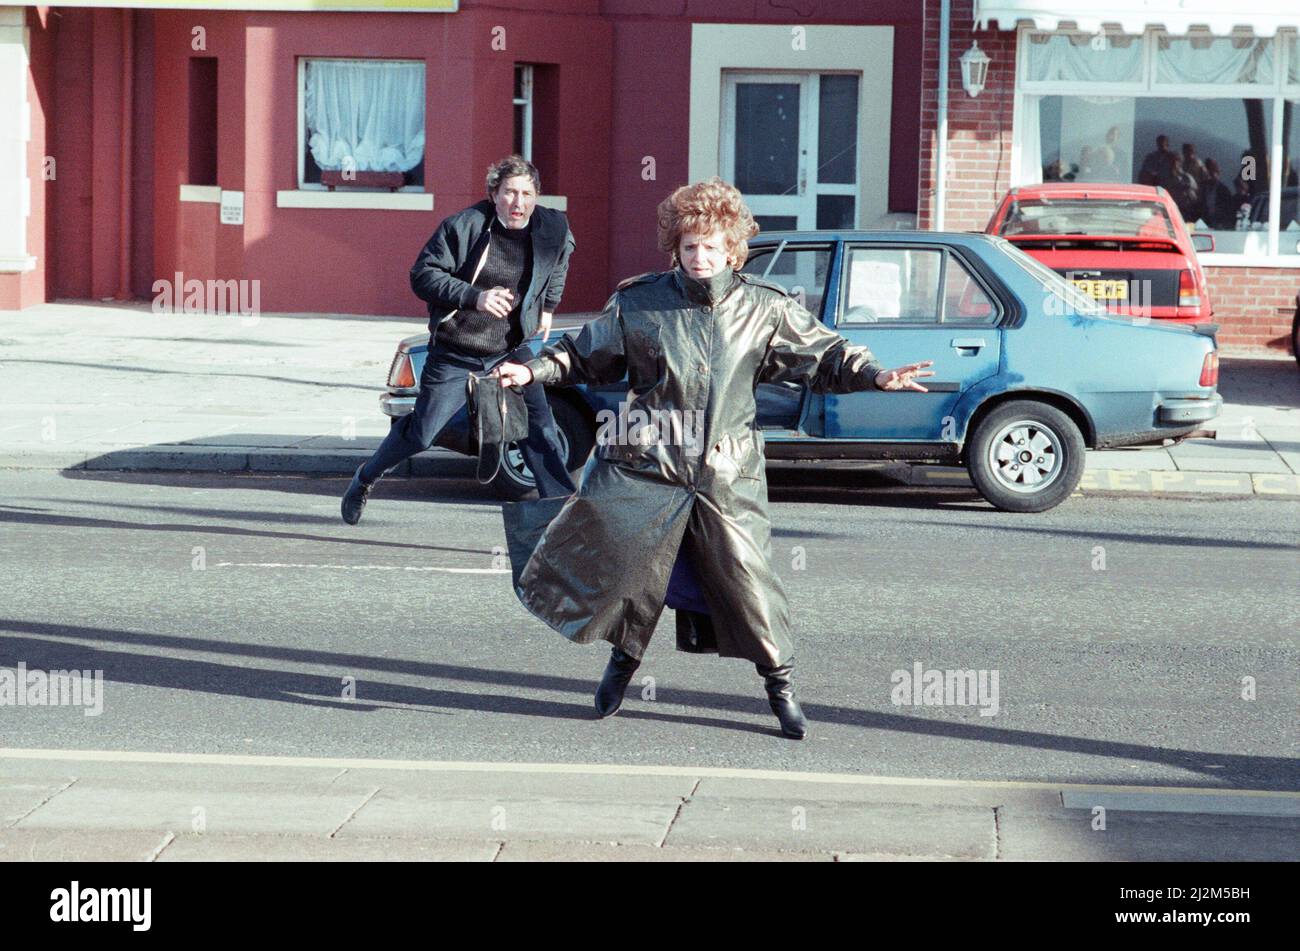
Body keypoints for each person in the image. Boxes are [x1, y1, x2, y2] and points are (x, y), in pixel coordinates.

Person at [493, 178, 934, 739]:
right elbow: (582, 354)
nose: (699, 257)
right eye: (689, 246)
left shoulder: (764, 307)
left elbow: (826, 355)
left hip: (727, 474)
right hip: (648, 469)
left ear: (733, 250)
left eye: (710, 246)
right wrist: (531, 369)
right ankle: (621, 667)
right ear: (674, 248)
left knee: (750, 585)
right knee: (632, 576)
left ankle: (782, 689)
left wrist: (875, 375)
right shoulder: (640, 302)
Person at [341, 155, 577, 524]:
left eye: (527, 194)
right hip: (457, 350)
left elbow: (560, 258)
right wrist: (474, 297)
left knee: (540, 430)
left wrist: (548, 306)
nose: (518, 203)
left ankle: (562, 517)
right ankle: (365, 478)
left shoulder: (552, 226)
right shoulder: (464, 226)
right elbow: (423, 275)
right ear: (493, 194)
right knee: (422, 434)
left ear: (536, 196)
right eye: (510, 193)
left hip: (510, 348)